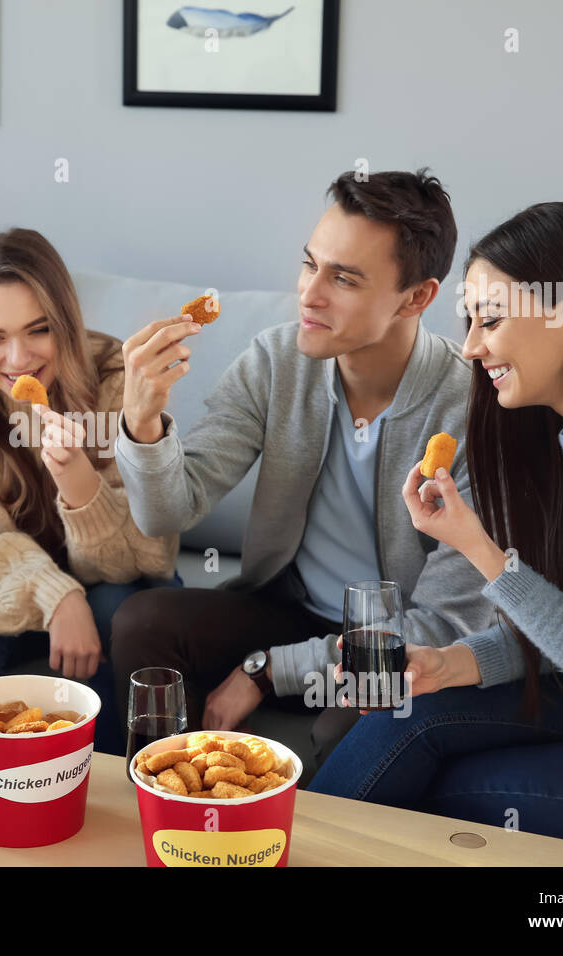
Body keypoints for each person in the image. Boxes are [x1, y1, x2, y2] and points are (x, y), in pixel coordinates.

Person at [308, 202, 563, 866]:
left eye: (489, 321)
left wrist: (477, 546)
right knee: (406, 715)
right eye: (469, 323)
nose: (470, 347)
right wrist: (452, 663)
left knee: (440, 789)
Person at [110, 169, 494, 745]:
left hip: (400, 634)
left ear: (416, 297)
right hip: (290, 608)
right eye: (310, 264)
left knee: (351, 721)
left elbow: (443, 622)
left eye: (343, 278)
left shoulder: (471, 411)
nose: (309, 294)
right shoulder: (274, 363)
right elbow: (167, 512)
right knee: (142, 623)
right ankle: (170, 808)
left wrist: (265, 671)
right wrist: (141, 424)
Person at [0, 228, 180, 755]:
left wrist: (78, 480)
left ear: (65, 321)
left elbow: (145, 553)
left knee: (115, 607)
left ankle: (107, 788)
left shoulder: (116, 379)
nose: (18, 359)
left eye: (38, 331)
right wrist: (56, 595)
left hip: (116, 579)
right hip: (16, 583)